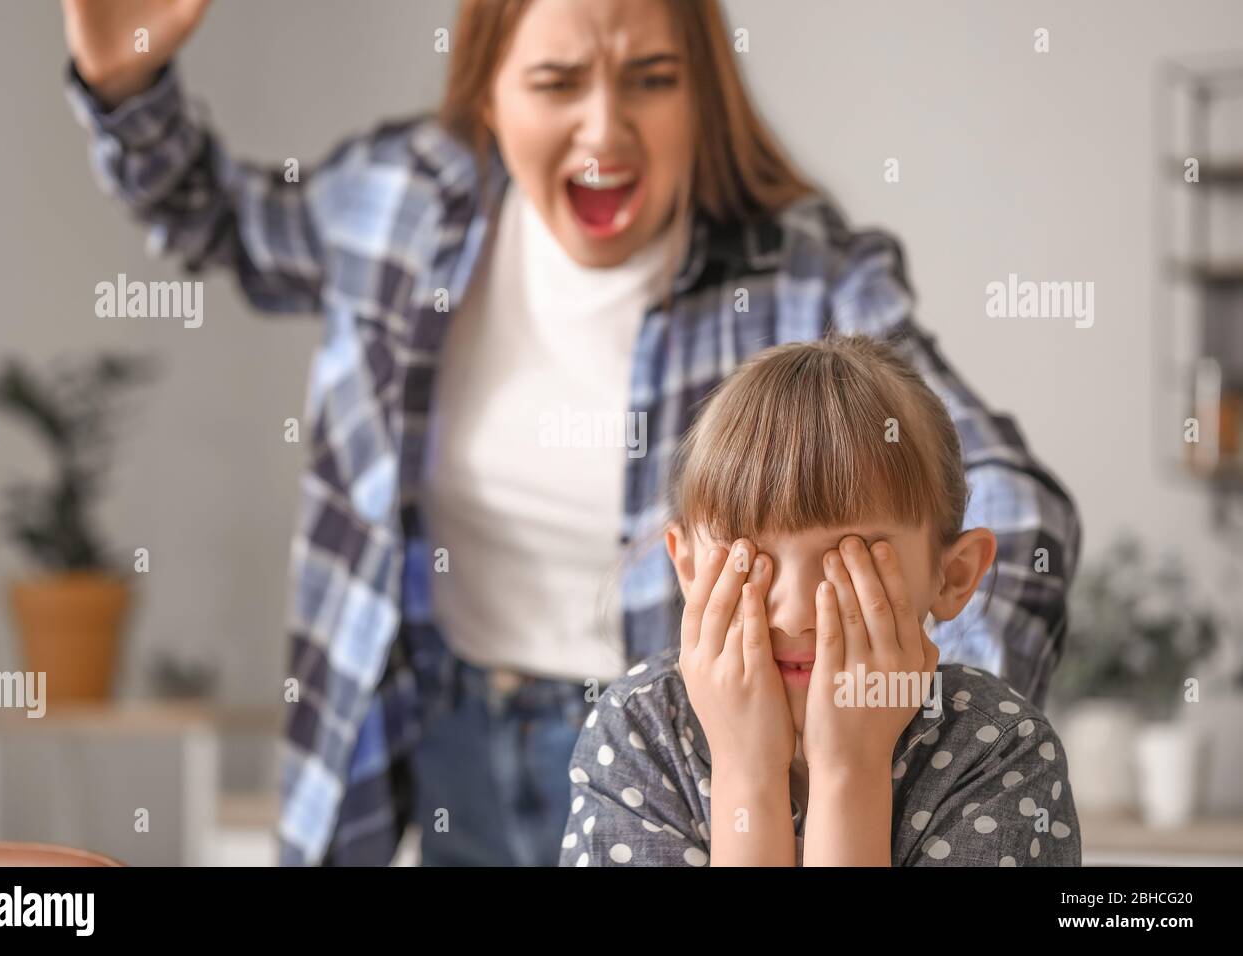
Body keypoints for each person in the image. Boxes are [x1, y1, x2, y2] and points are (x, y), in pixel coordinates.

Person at [58, 0, 1081, 866]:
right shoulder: (398, 208)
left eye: (652, 80)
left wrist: (901, 717)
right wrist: (123, 82)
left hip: (691, 749)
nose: (604, 130)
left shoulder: (801, 272)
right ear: (488, 97)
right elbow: (218, 218)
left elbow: (1006, 501)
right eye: (555, 83)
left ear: (703, 96)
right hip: (447, 733)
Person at [560, 336, 1081, 866]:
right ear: (691, 569)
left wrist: (849, 771)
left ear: (953, 576)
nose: (793, 617)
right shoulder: (641, 734)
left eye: (847, 558)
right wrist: (746, 771)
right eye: (750, 558)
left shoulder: (1000, 753)